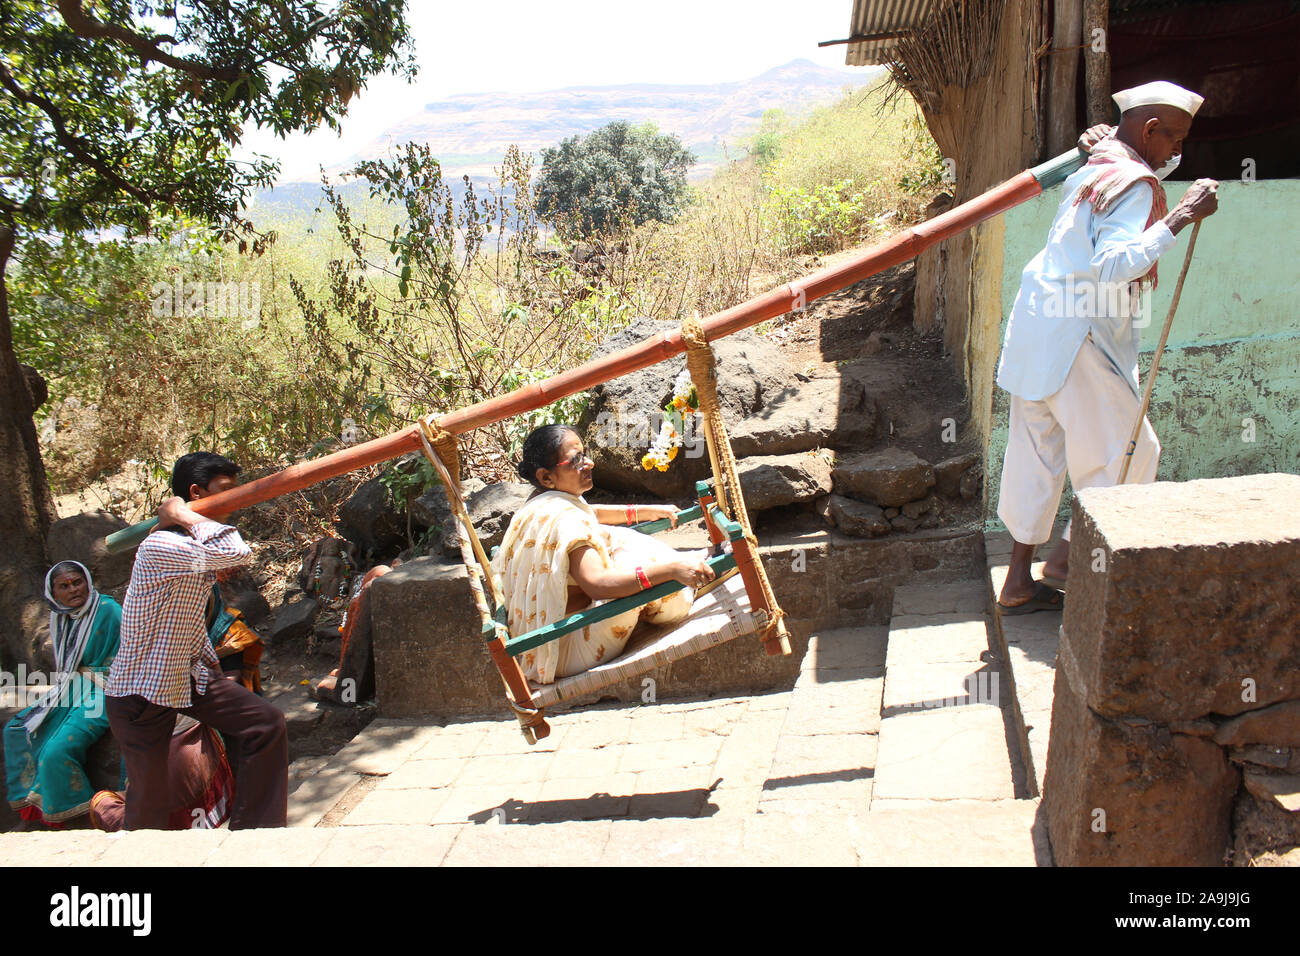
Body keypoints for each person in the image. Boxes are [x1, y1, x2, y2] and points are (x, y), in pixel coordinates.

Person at [994, 80, 1220, 613]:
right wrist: (1180, 217)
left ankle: (1019, 580)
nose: (1178, 152)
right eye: (1175, 139)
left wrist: (1116, 149)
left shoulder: (1093, 168)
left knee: (1036, 456)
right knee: (1134, 452)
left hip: (1036, 330)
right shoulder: (1135, 183)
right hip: (1079, 340)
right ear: (1147, 130)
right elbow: (1112, 265)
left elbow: (1135, 180)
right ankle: (1068, 561)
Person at [105, 451, 288, 829]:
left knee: (264, 723)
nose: (235, 500)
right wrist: (183, 513)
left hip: (189, 678)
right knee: (151, 802)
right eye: (226, 492)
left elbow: (186, 619)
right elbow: (234, 551)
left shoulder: (187, 544)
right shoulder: (162, 547)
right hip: (141, 693)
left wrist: (211, 665)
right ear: (196, 492)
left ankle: (255, 832)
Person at [493, 425, 715, 684]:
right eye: (576, 460)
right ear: (546, 477)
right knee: (636, 561)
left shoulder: (541, 502)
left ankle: (684, 574)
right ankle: (684, 591)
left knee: (620, 543)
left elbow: (590, 513)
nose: (589, 462)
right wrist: (673, 569)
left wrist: (643, 510)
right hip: (565, 649)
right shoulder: (566, 520)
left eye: (584, 454)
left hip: (539, 650)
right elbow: (597, 585)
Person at [4, 561, 122, 826]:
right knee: (16, 729)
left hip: (107, 689)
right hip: (72, 687)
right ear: (53, 593)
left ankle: (80, 815)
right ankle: (35, 810)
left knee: (55, 751)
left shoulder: (108, 610)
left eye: (77, 582)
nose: (73, 590)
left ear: (88, 582)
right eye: (64, 586)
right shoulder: (61, 616)